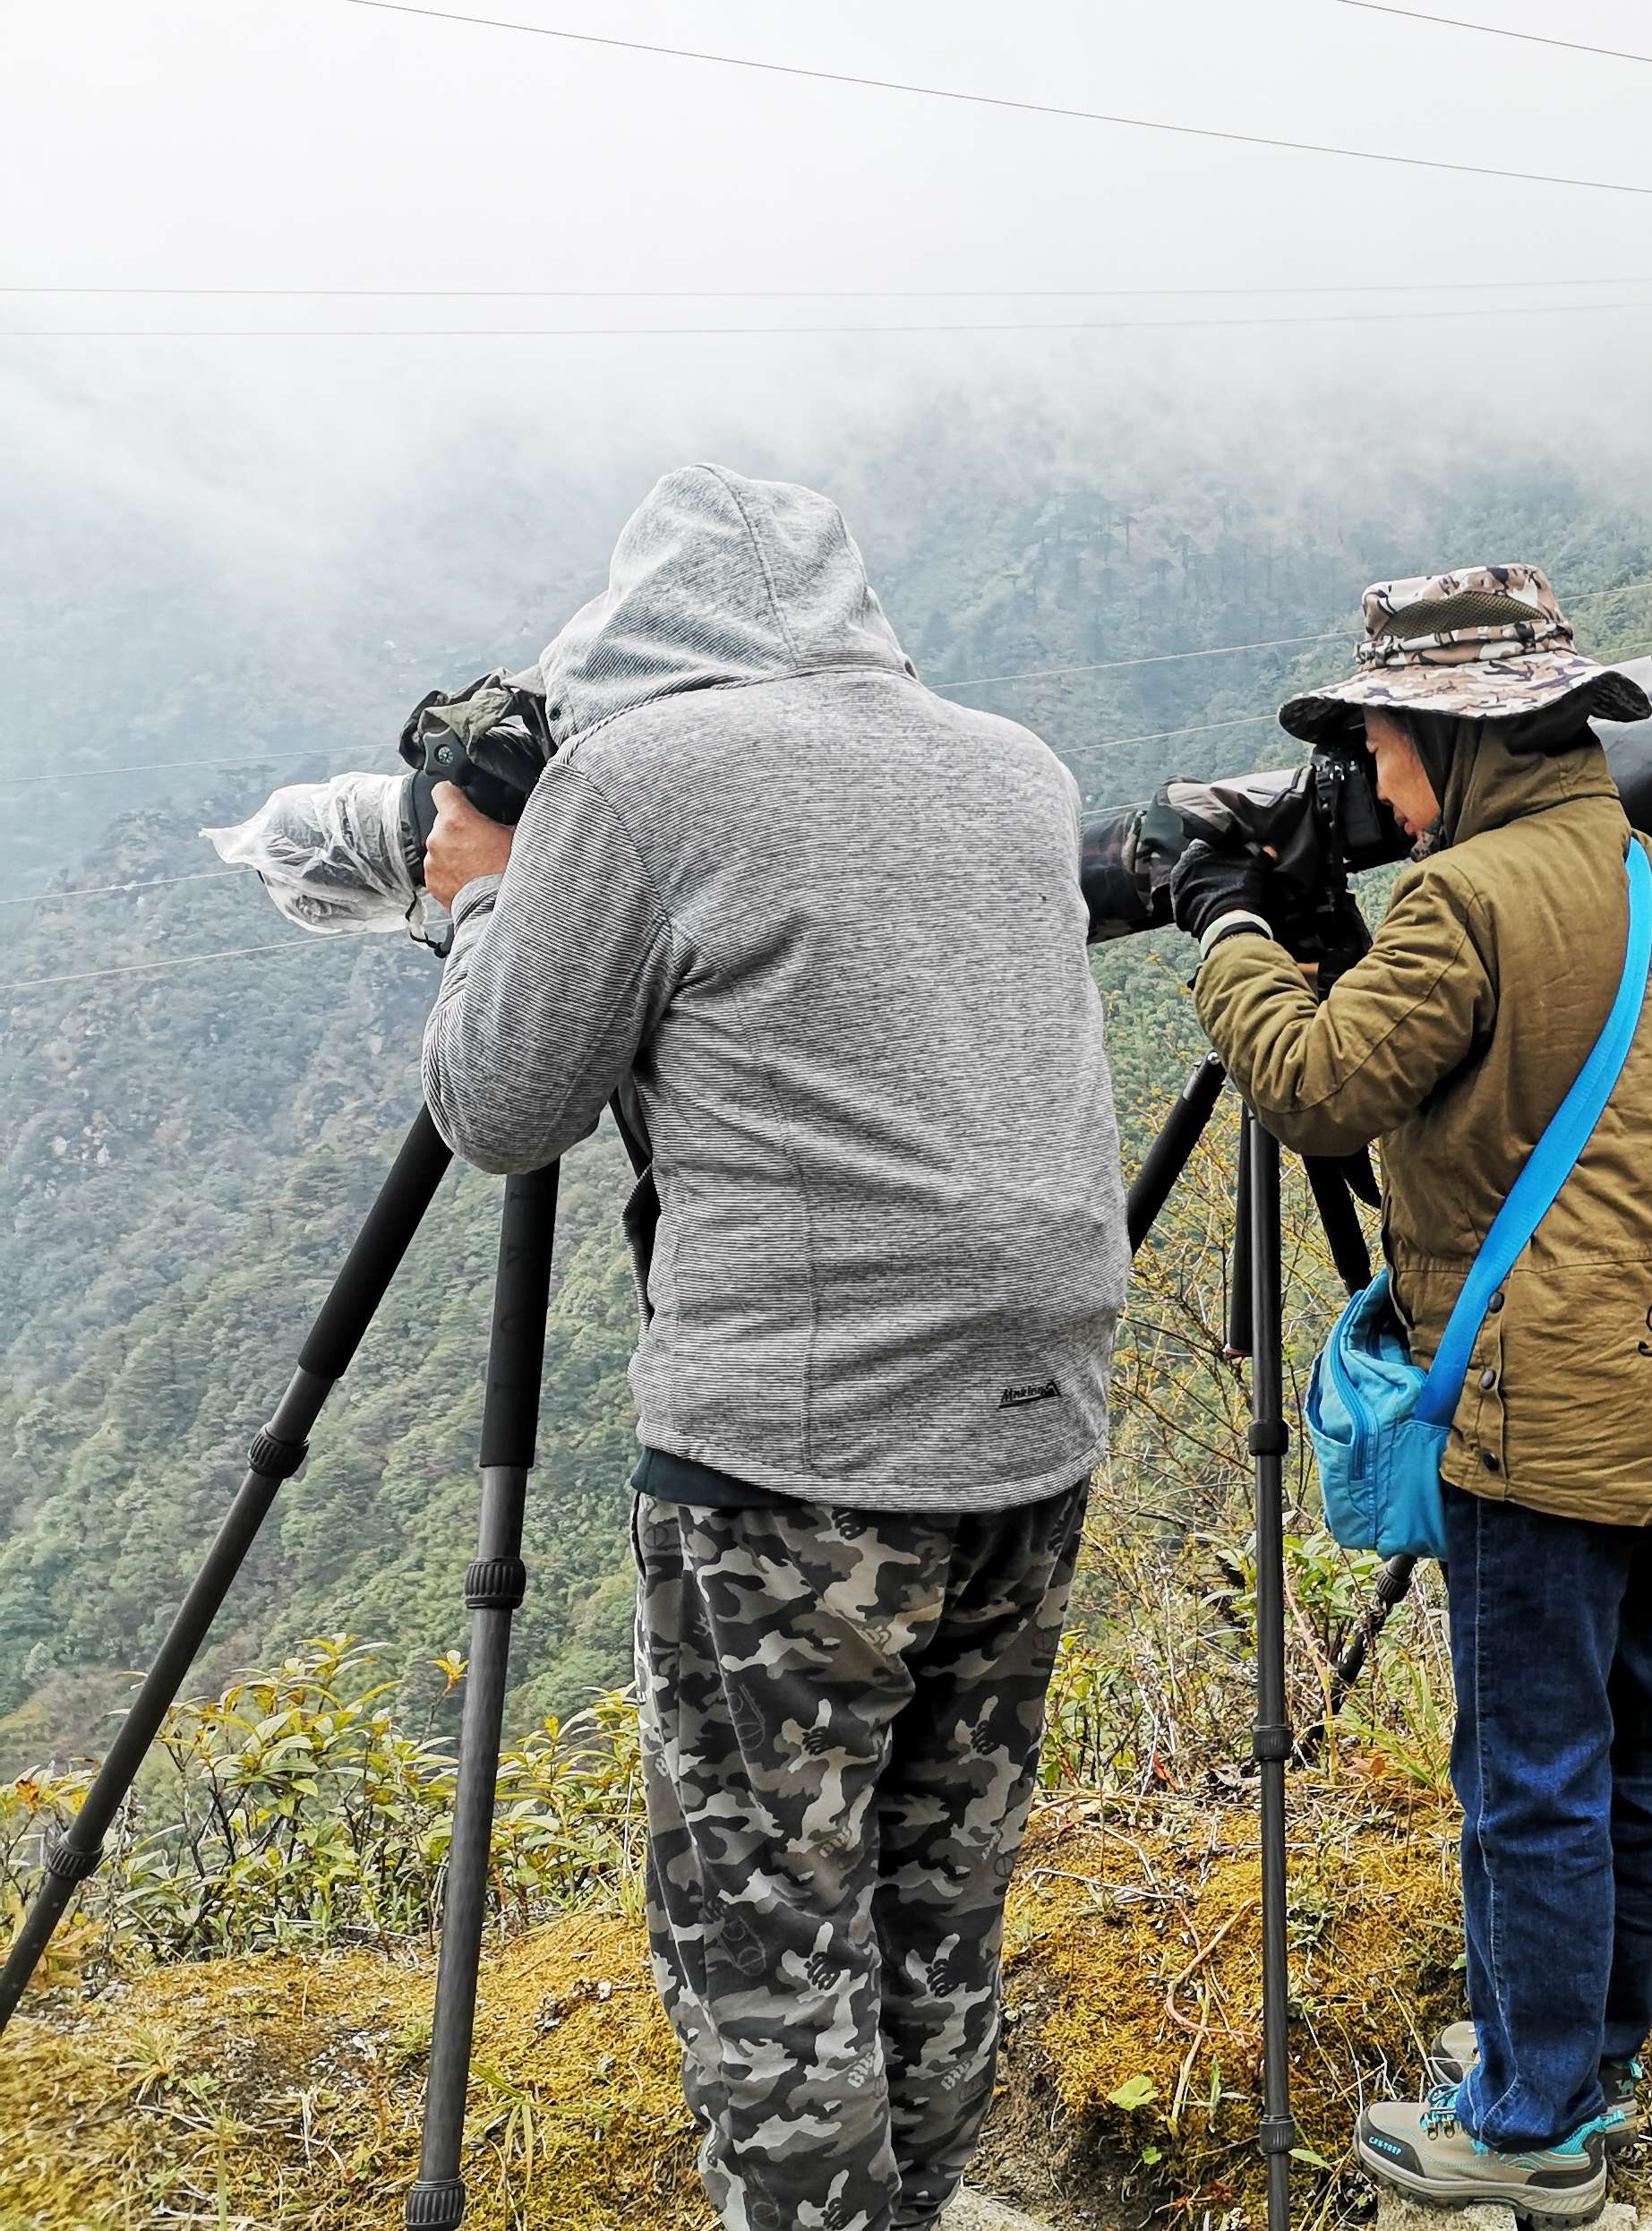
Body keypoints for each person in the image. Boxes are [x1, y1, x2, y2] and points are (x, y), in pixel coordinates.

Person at [417, 464, 1125, 2231]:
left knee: (764, 1931)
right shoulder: (1019, 770)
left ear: (646, 626)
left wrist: (490, 891)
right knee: (934, 1893)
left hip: (796, 1455)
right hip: (1037, 1423)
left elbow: (505, 1103)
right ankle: (925, 2194)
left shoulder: (636, 779)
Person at [1170, 564, 1652, 2223]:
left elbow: (1315, 1087)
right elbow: (1474, 1053)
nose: (1366, 779)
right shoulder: (1641, 865)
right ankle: (1589, 2043)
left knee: (1526, 1773)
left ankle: (1524, 2123)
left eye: (1374, 742)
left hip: (1547, 1413)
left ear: (1450, 735)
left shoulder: (1464, 901)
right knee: (1628, 1740)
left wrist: (1224, 923)